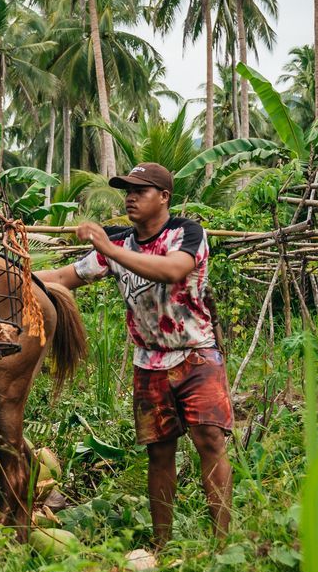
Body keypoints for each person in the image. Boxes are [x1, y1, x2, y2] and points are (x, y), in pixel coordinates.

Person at [38, 162, 232, 546]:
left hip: (196, 354)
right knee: (159, 453)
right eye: (126, 190)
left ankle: (222, 544)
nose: (130, 197)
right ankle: (162, 543)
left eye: (140, 191)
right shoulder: (122, 243)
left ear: (164, 197)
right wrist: (8, 275)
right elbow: (63, 278)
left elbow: (173, 270)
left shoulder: (186, 233)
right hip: (149, 364)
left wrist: (108, 248)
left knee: (210, 441)